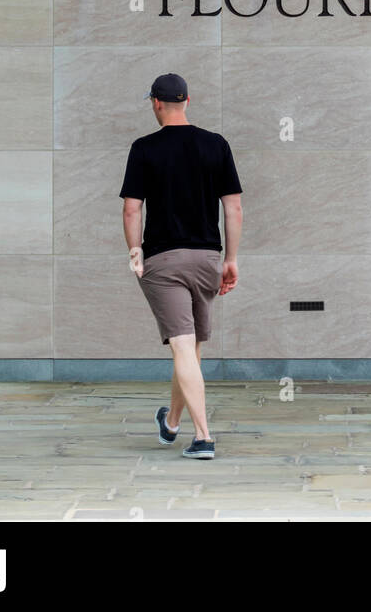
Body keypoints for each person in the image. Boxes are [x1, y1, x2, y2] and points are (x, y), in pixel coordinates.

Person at [119, 72, 243, 459]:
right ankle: (171, 422)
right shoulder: (216, 144)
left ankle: (204, 437)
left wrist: (134, 250)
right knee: (188, 347)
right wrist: (231, 259)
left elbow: (131, 208)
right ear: (188, 100)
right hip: (207, 259)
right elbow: (233, 207)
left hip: (164, 261)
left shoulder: (144, 148)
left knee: (183, 347)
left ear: (156, 103)